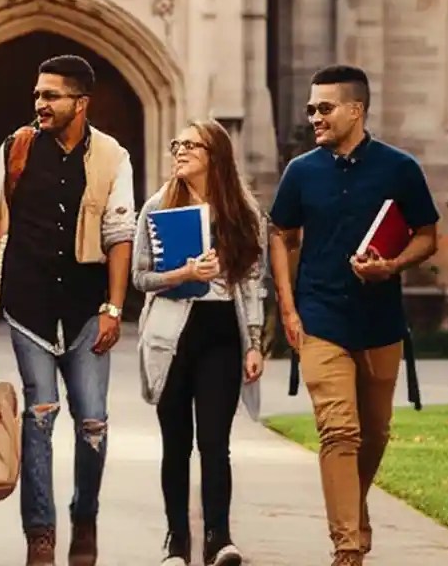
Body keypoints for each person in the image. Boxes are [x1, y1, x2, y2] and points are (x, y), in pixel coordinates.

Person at [267, 65, 440, 566]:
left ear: (356, 110)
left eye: (324, 108)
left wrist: (393, 265)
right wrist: (288, 304)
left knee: (375, 431)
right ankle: (347, 547)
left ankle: (354, 512)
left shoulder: (400, 168)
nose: (313, 117)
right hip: (320, 317)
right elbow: (281, 232)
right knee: (338, 431)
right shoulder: (301, 171)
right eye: (310, 109)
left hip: (382, 321)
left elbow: (427, 235)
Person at [0, 54, 135, 566]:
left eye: (51, 96)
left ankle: (85, 517)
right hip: (28, 303)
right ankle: (39, 535)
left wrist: (113, 306)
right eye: (38, 95)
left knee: (93, 423)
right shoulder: (15, 148)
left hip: (86, 308)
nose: (40, 104)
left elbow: (119, 235)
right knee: (39, 417)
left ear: (80, 103)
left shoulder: (113, 156)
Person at [131, 118, 267, 566]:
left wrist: (253, 342)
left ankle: (218, 539)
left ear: (216, 155)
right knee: (176, 441)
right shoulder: (158, 206)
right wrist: (184, 274)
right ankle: (177, 542)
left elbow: (251, 284)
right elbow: (140, 277)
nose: (181, 151)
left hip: (222, 333)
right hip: (172, 334)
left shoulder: (241, 212)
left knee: (214, 441)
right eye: (178, 144)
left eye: (192, 145)